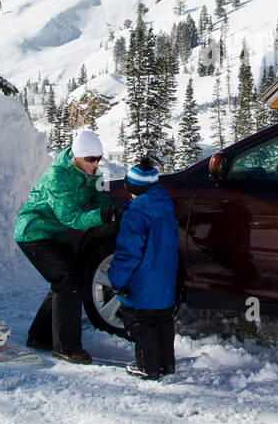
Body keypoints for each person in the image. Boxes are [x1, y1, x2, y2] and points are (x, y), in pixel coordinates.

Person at [14, 128, 120, 364]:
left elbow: (99, 199)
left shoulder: (92, 174)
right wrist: (104, 216)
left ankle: (40, 337)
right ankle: (66, 347)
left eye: (99, 159)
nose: (96, 164)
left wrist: (111, 210)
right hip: (33, 232)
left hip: (55, 234)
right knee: (67, 280)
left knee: (69, 280)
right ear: (77, 156)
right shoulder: (57, 176)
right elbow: (70, 218)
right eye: (91, 159)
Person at [108, 158, 180, 381]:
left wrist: (117, 280)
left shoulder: (136, 213)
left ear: (133, 189)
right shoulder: (166, 208)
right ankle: (166, 365)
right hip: (165, 283)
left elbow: (128, 253)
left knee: (141, 325)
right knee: (163, 322)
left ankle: (147, 367)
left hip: (142, 284)